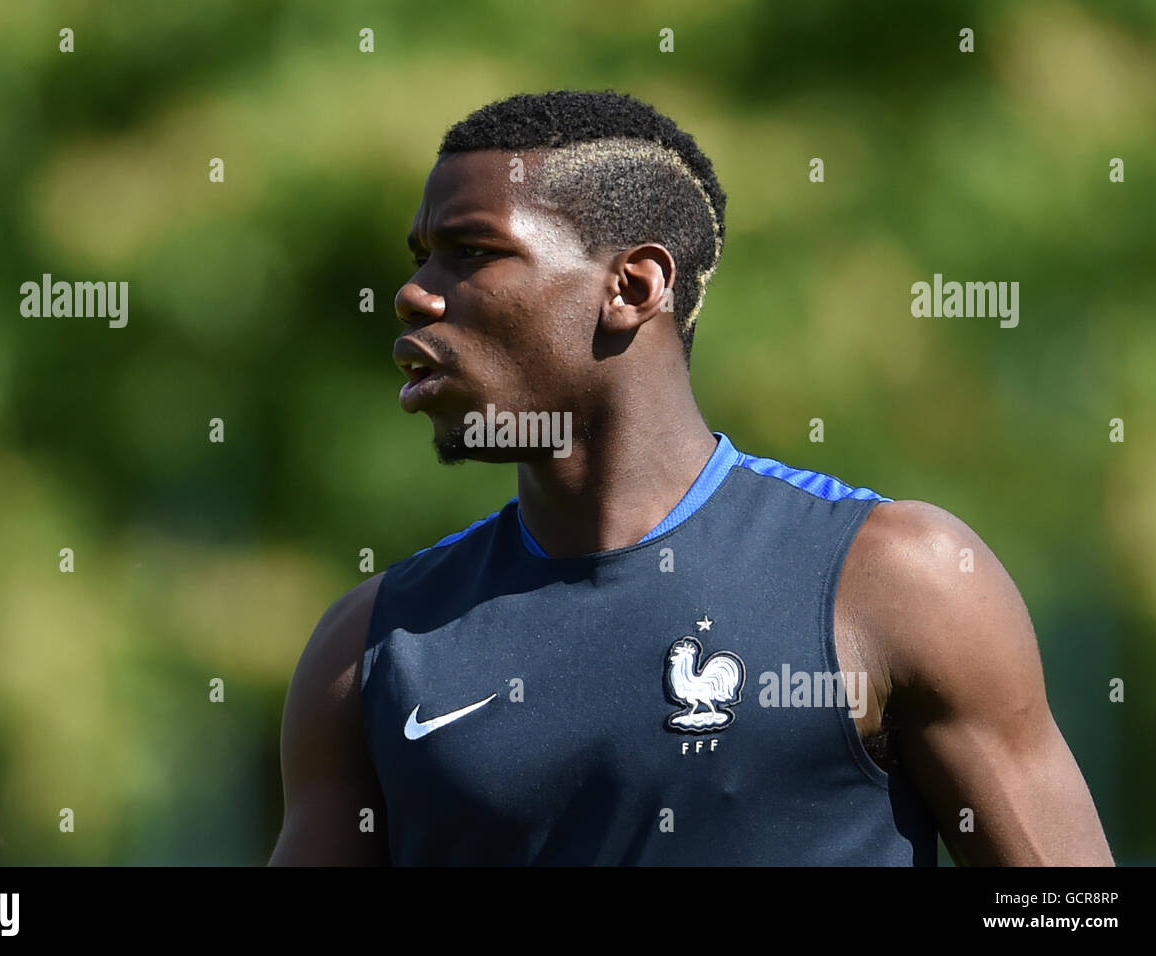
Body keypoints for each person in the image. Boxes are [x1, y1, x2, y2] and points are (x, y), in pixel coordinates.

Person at [269, 90, 1113, 866]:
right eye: (420, 258)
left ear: (634, 286)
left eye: (471, 253)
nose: (415, 296)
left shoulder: (895, 578)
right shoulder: (371, 649)